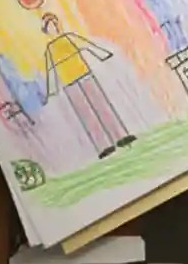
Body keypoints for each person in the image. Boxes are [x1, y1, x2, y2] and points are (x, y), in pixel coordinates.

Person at [39, 12, 136, 159]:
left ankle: (120, 136)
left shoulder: (69, 37)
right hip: (70, 84)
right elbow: (50, 70)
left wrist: (103, 54)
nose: (53, 28)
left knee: (102, 106)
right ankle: (103, 145)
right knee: (86, 115)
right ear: (46, 30)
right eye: (49, 26)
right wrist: (50, 91)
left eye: (54, 24)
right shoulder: (50, 48)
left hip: (85, 75)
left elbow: (87, 46)